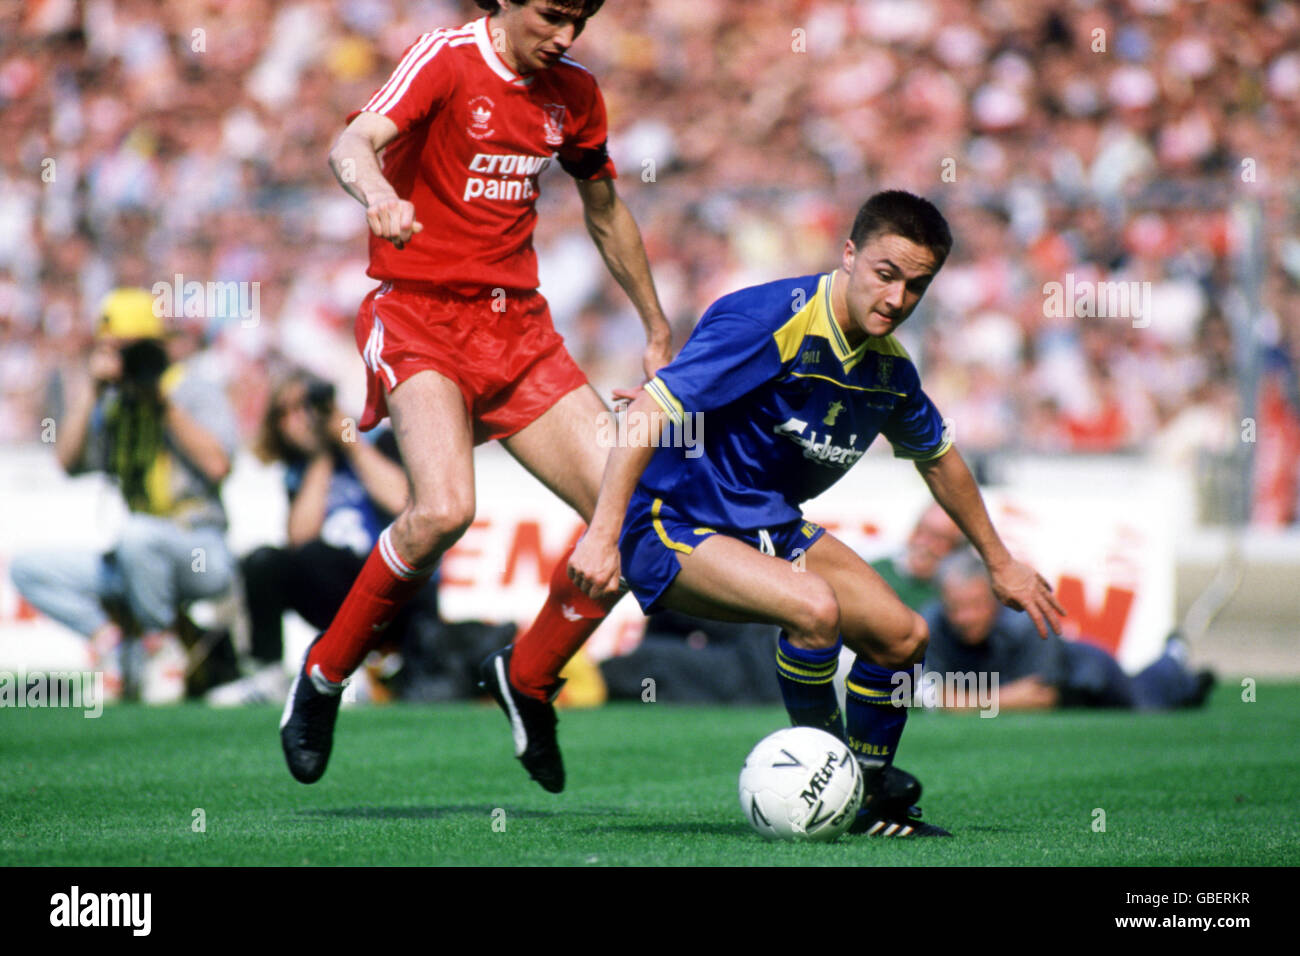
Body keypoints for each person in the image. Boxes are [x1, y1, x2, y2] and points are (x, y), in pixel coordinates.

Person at [565, 190, 1066, 836]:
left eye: (916, 286)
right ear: (849, 254)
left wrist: (1001, 563)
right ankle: (838, 786)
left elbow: (939, 460)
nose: (896, 299)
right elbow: (648, 413)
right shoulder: (771, 318)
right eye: (886, 275)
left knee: (903, 637)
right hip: (669, 517)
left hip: (766, 524)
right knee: (814, 609)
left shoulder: (889, 372)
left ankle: (867, 787)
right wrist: (602, 537)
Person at [280, 0, 672, 785]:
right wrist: (377, 196)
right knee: (443, 511)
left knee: (632, 520)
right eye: (553, 16)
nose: (564, 37)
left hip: (519, 334)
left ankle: (525, 679)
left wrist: (656, 327)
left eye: (581, 22)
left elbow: (603, 209)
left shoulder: (575, 94)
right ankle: (324, 677)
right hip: (421, 318)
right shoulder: (447, 58)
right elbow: (351, 143)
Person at [10, 287, 239, 701]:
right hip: (134, 556)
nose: (123, 361)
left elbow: (218, 465)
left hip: (199, 549)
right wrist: (92, 391)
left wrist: (161, 401)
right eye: (111, 350)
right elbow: (66, 463)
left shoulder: (192, 390)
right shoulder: (112, 405)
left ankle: (160, 645)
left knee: (137, 535)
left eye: (131, 350)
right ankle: (111, 643)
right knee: (28, 568)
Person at [207, 369, 425, 705]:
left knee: (317, 557)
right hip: (329, 581)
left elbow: (400, 499)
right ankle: (268, 675)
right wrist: (321, 456)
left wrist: (346, 439)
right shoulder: (300, 470)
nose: (298, 420)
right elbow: (300, 536)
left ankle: (363, 668)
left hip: (391, 582)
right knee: (265, 561)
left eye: (304, 408)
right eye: (285, 413)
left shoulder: (376, 441)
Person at [922, 549, 1215, 712]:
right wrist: (1001, 698)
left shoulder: (1029, 623)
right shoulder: (931, 623)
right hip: (1030, 686)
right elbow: (927, 692)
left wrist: (964, 701)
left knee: (1148, 703)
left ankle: (1173, 659)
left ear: (995, 598)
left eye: (975, 605)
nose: (965, 617)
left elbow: (1040, 697)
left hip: (1089, 676)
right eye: (956, 608)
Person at [870, 503, 964, 612]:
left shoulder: (952, 597)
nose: (924, 543)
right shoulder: (875, 573)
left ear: (955, 548)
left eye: (939, 538)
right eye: (921, 531)